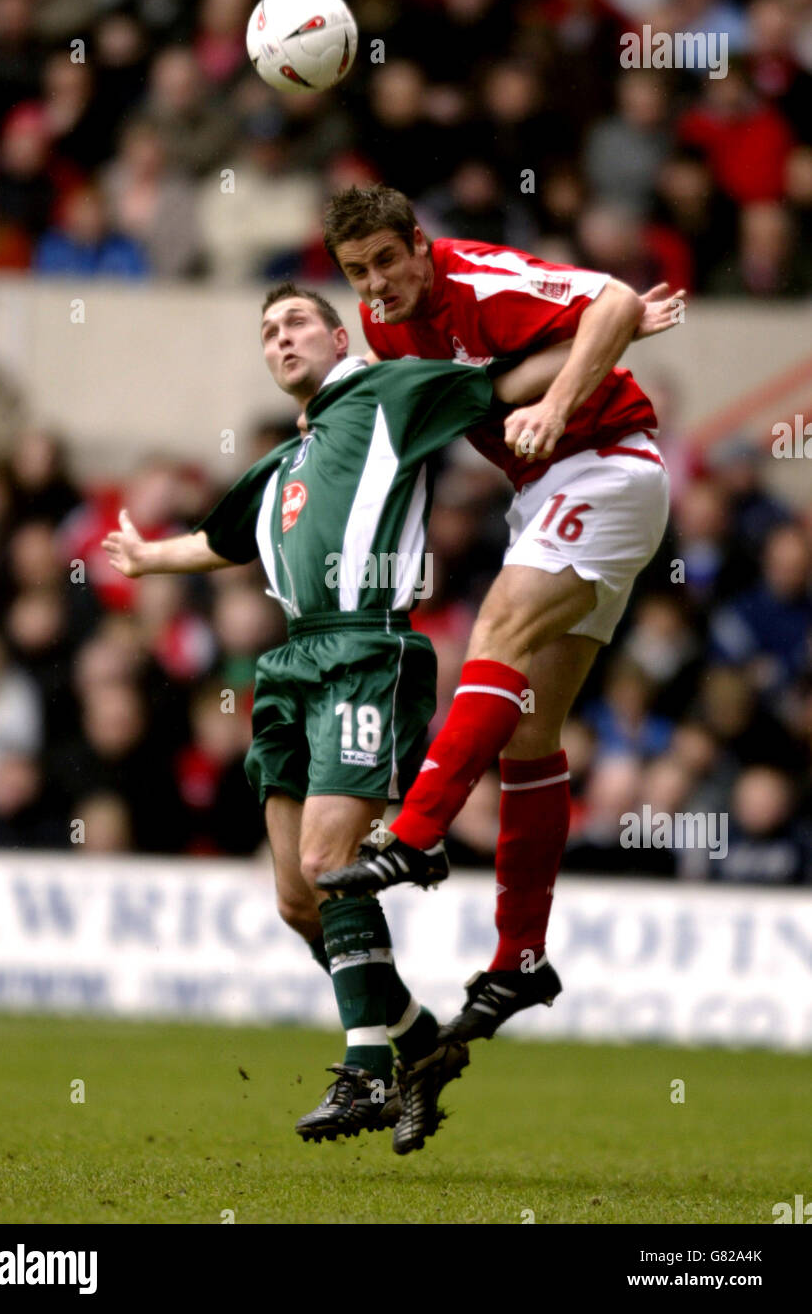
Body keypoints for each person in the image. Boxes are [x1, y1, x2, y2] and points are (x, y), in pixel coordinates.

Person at [102, 282, 554, 1151]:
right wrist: (147, 557)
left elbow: (501, 385)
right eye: (267, 330)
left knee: (328, 861)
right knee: (297, 899)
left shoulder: (389, 394)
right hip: (291, 663)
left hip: (365, 649)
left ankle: (368, 1071)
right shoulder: (282, 464)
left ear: (338, 334)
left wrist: (604, 336)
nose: (280, 337)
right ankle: (423, 1047)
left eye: (296, 321)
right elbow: (222, 540)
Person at [317, 185, 676, 1068]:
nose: (376, 285)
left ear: (420, 245)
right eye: (357, 273)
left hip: (605, 466)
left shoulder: (475, 277)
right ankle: (520, 958)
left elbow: (615, 298)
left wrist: (560, 400)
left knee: (494, 636)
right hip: (550, 494)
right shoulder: (389, 330)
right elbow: (478, 393)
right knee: (531, 734)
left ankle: (415, 834)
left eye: (386, 263)